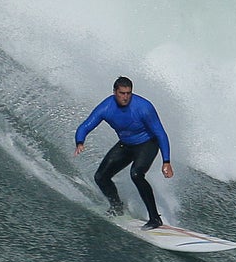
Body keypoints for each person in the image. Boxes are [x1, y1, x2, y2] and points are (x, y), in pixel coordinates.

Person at [74, 76, 173, 229]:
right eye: (122, 93)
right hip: (126, 145)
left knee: (136, 174)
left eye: (128, 93)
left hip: (148, 143)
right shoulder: (106, 107)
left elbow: (160, 133)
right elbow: (86, 125)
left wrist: (166, 161)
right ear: (114, 92)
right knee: (101, 177)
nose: (125, 97)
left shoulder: (144, 107)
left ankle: (155, 219)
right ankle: (117, 207)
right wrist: (80, 141)